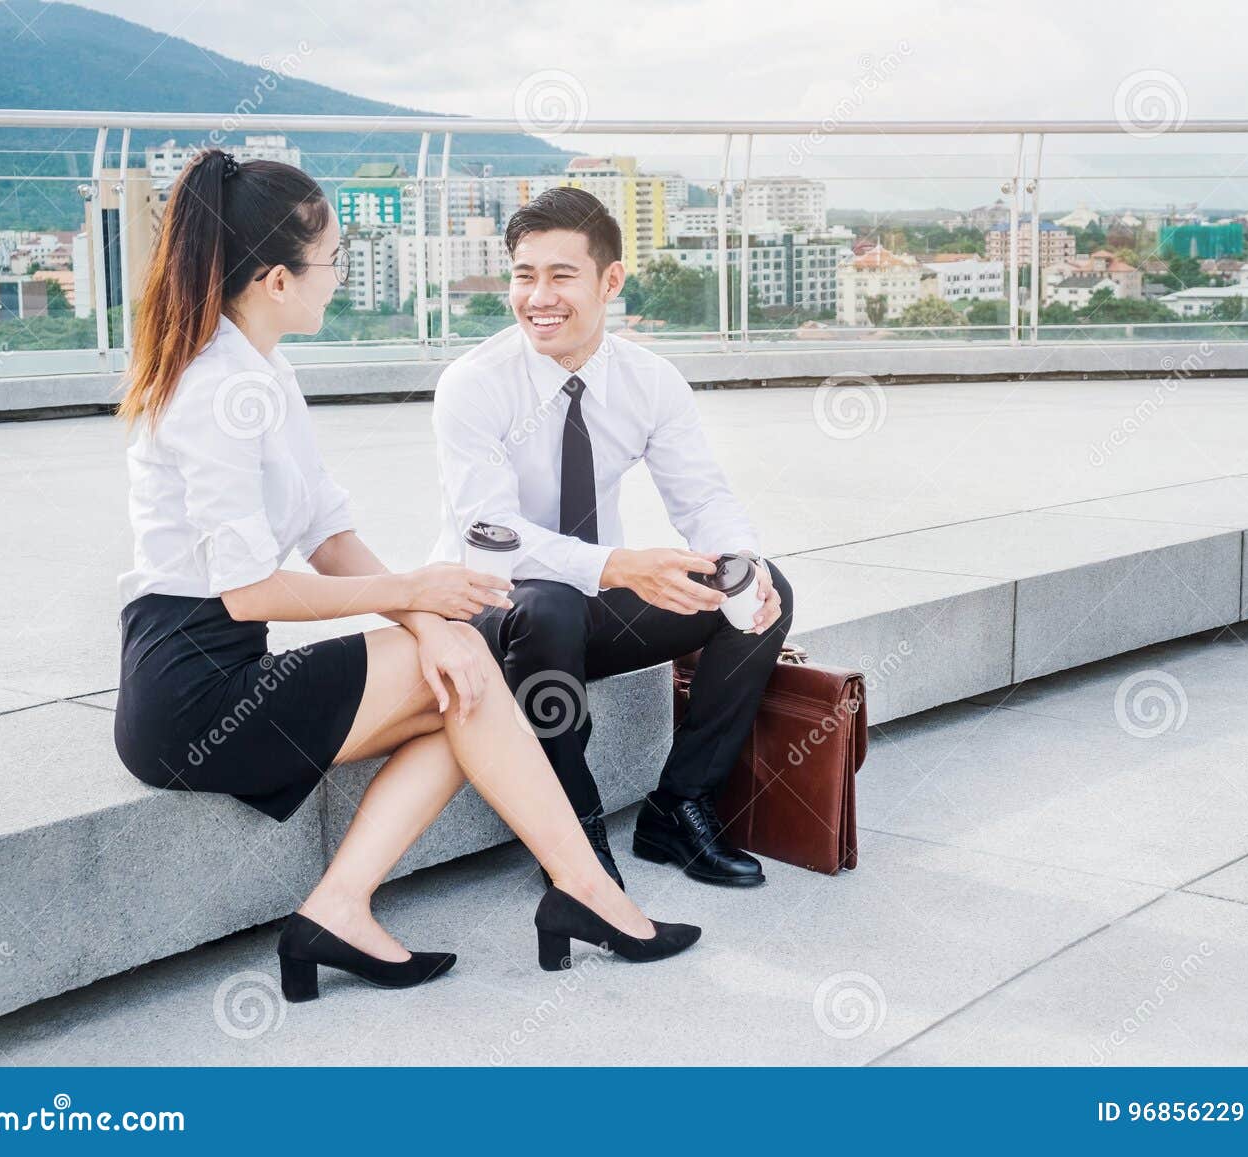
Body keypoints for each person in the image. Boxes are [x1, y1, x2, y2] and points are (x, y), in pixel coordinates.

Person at [111, 151, 699, 1001]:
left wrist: (427, 621)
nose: (340, 274)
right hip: (191, 693)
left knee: (455, 673)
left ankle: (340, 907)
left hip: (217, 664)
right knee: (466, 671)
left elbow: (326, 533)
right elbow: (249, 592)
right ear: (278, 279)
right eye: (333, 259)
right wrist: (414, 594)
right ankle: (590, 893)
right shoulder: (216, 392)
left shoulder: (264, 371)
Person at [431, 186, 794, 890]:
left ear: (611, 281)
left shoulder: (649, 381)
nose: (539, 297)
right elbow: (492, 543)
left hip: (589, 600)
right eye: (524, 275)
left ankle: (679, 804)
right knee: (548, 605)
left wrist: (743, 566)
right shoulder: (475, 384)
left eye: (561, 276)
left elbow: (703, 498)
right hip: (489, 610)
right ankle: (572, 830)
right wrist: (620, 565)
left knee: (760, 588)